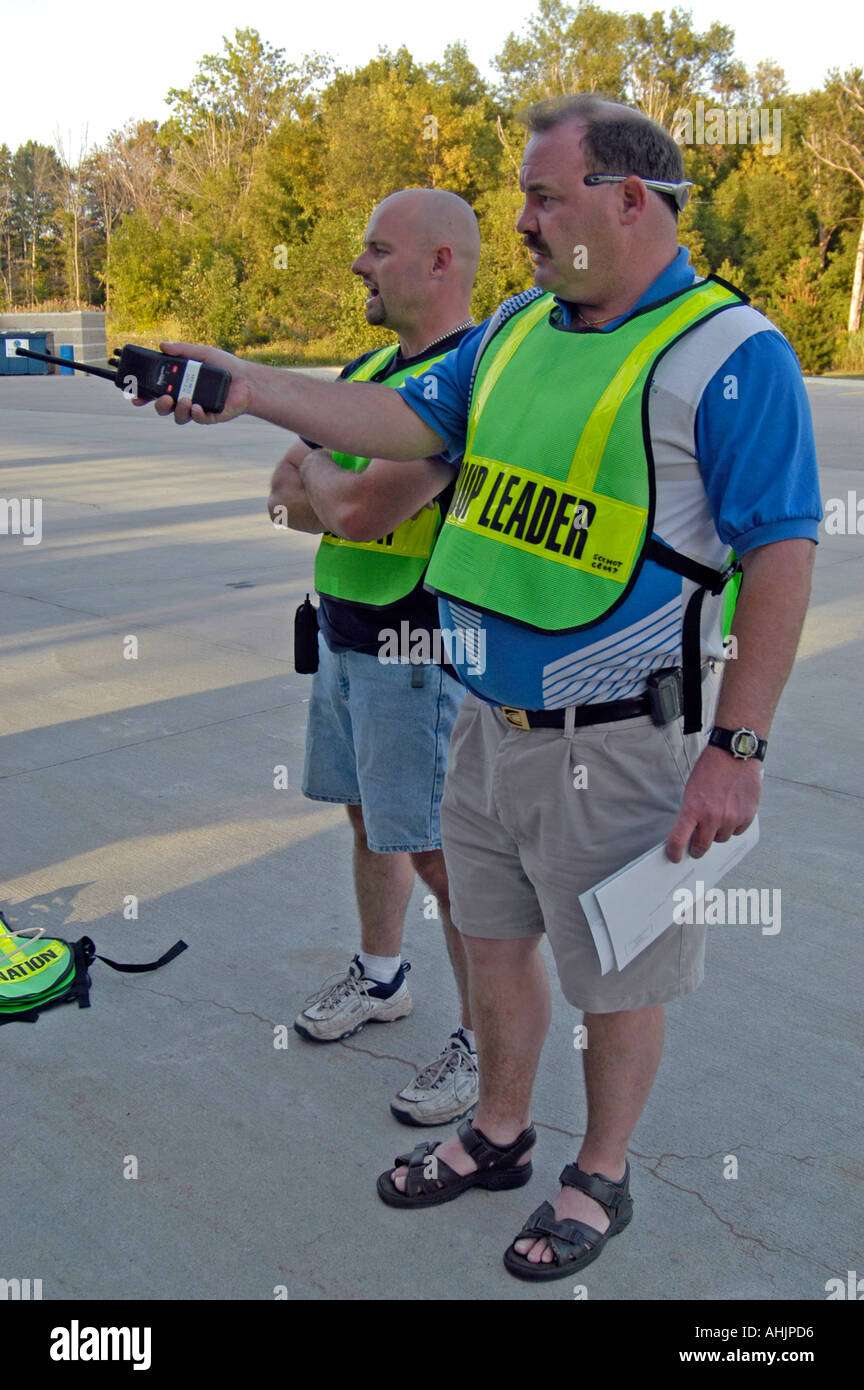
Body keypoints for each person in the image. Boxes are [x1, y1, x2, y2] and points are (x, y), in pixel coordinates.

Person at [141, 96, 821, 1282]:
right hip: (484, 723)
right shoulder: (511, 329)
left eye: (543, 197)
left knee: (618, 979)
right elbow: (401, 419)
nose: (521, 220)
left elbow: (783, 549)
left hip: (615, 737)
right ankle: (500, 1134)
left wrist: (738, 745)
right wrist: (247, 385)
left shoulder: (731, 353)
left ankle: (599, 1174)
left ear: (630, 200)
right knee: (493, 943)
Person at [266, 188, 482, 1126]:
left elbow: (354, 508)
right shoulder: (365, 371)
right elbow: (280, 499)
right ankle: (384, 976)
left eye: (376, 249)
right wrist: (328, 472)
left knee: (443, 854)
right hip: (347, 638)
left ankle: (486, 1036)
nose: (358, 264)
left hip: (419, 654)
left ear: (440, 261)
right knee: (368, 820)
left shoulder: (470, 378)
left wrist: (325, 468)